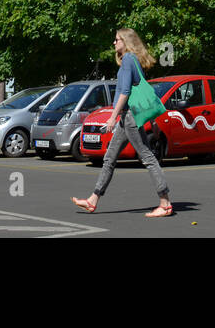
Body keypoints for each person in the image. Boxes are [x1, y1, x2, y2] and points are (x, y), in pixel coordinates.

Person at [71, 28, 173, 219]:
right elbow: (143, 94)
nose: (114, 43)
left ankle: (165, 203)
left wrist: (112, 117)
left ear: (126, 42)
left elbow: (126, 92)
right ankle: (93, 200)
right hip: (128, 118)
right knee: (109, 159)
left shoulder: (127, 60)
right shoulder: (134, 61)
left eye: (117, 39)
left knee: (148, 158)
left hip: (129, 117)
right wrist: (153, 120)